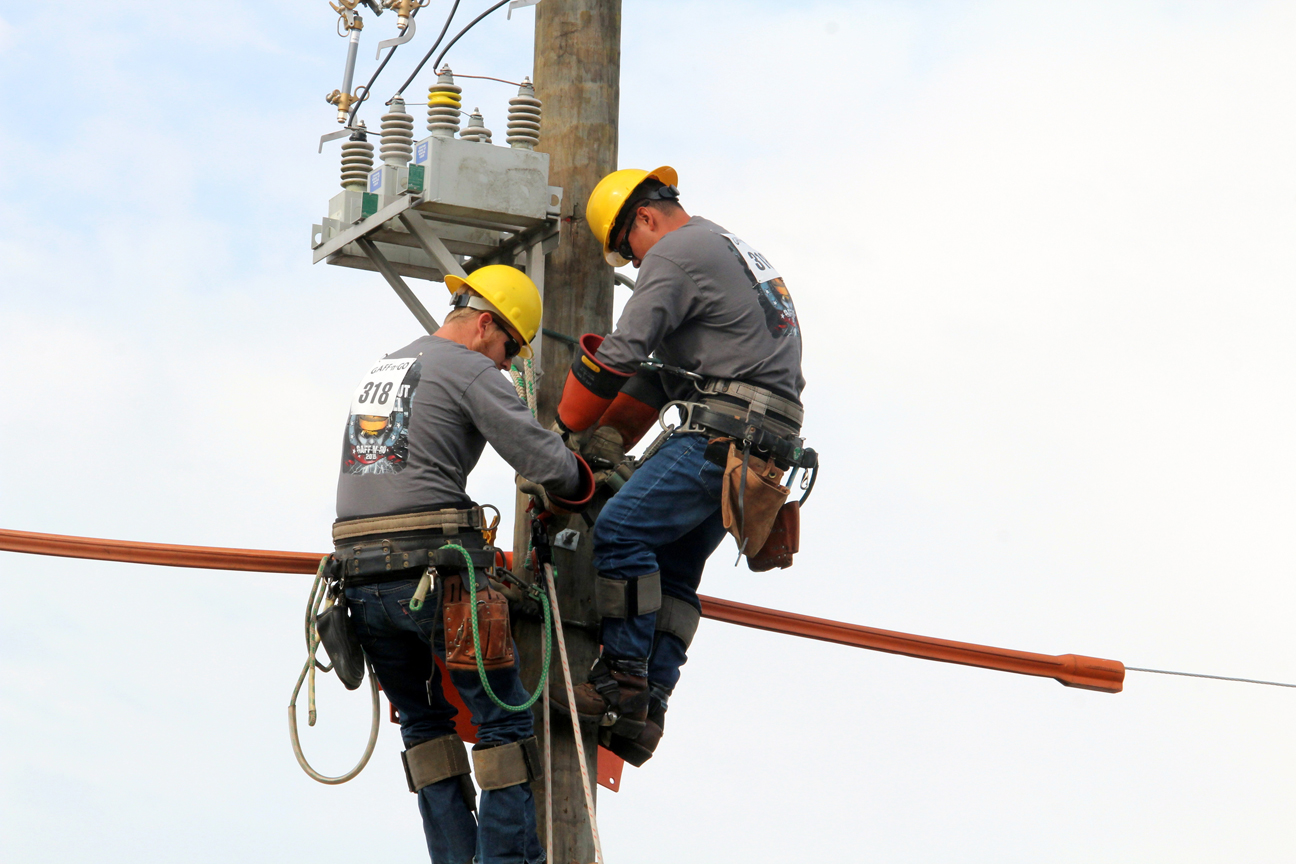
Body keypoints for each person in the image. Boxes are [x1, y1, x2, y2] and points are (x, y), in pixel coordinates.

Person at [333, 264, 592, 864]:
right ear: (484, 325)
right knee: (503, 726)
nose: (505, 365)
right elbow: (542, 459)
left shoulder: (386, 367)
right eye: (509, 349)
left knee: (425, 728)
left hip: (362, 583)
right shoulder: (468, 368)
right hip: (433, 577)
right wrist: (583, 482)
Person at [553, 166, 811, 766]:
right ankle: (648, 712)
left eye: (628, 251)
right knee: (673, 568)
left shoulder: (673, 254)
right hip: (762, 442)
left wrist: (566, 431)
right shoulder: (723, 247)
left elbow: (621, 354)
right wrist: (611, 435)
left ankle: (620, 685)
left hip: (726, 430)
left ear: (644, 218)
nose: (635, 264)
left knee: (620, 532)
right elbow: (661, 374)